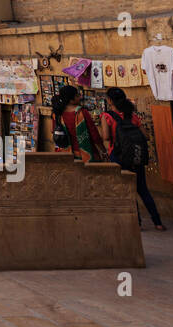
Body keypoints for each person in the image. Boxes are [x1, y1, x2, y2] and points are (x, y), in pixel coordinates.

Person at [103, 88, 166, 231]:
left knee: (127, 190)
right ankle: (157, 222)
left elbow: (106, 137)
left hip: (118, 156)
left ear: (110, 101)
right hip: (135, 156)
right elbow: (146, 136)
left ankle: (136, 223)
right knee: (143, 189)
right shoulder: (132, 116)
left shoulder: (107, 116)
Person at [53, 84, 105, 162]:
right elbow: (94, 134)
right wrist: (103, 150)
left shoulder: (58, 113)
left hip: (67, 154)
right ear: (71, 99)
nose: (80, 97)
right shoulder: (82, 112)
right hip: (86, 154)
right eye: (77, 96)